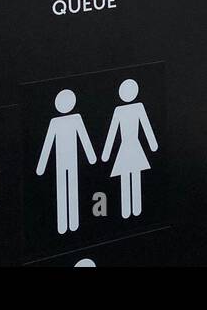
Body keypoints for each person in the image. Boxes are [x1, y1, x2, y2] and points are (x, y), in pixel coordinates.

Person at [34, 89, 97, 234]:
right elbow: (48, 143)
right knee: (63, 189)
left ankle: (72, 222)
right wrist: (42, 166)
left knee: (70, 188)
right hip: (62, 162)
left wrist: (92, 156)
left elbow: (84, 138)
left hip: (70, 161)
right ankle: (64, 224)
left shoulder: (75, 119)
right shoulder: (56, 122)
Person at [100, 79, 158, 220]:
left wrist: (152, 144)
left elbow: (146, 127)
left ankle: (134, 209)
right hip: (126, 148)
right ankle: (128, 210)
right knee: (127, 177)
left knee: (133, 177)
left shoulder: (137, 108)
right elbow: (113, 132)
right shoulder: (120, 111)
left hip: (133, 147)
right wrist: (106, 153)